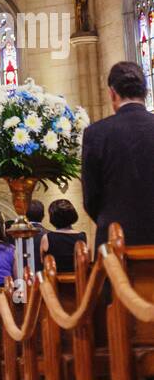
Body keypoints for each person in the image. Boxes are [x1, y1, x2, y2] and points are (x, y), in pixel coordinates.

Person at [82, 60, 154, 249]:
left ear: (112, 93)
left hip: (115, 242)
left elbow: (91, 198)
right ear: (145, 92)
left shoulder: (96, 133)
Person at [40, 199, 87, 272]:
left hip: (54, 281)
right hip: (78, 280)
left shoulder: (47, 238)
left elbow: (43, 261)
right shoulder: (82, 236)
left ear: (52, 218)